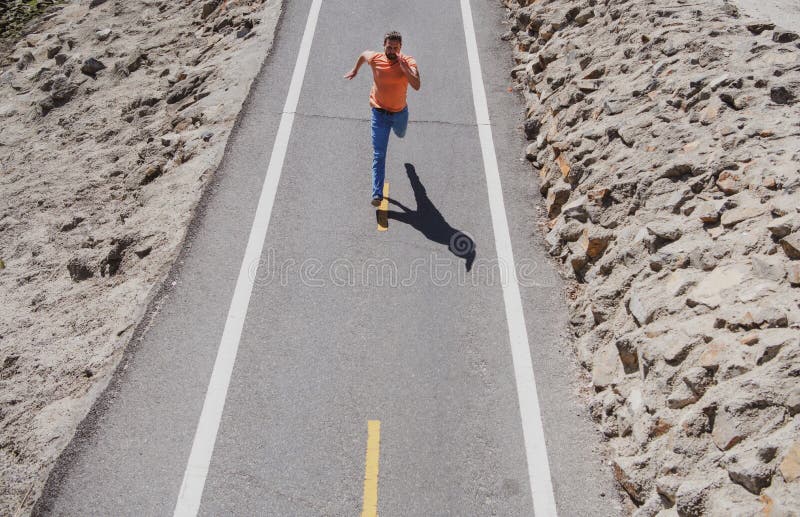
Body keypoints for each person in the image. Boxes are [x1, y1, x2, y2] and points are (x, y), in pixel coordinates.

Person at [344, 31, 421, 206]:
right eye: (389, 47)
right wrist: (355, 70)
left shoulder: (409, 62)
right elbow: (364, 55)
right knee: (379, 154)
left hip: (399, 113)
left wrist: (404, 69)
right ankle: (377, 194)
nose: (392, 51)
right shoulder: (375, 58)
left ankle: (413, 176)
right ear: (384, 45)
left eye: (395, 48)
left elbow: (417, 85)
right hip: (379, 113)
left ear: (400, 48)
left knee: (400, 134)